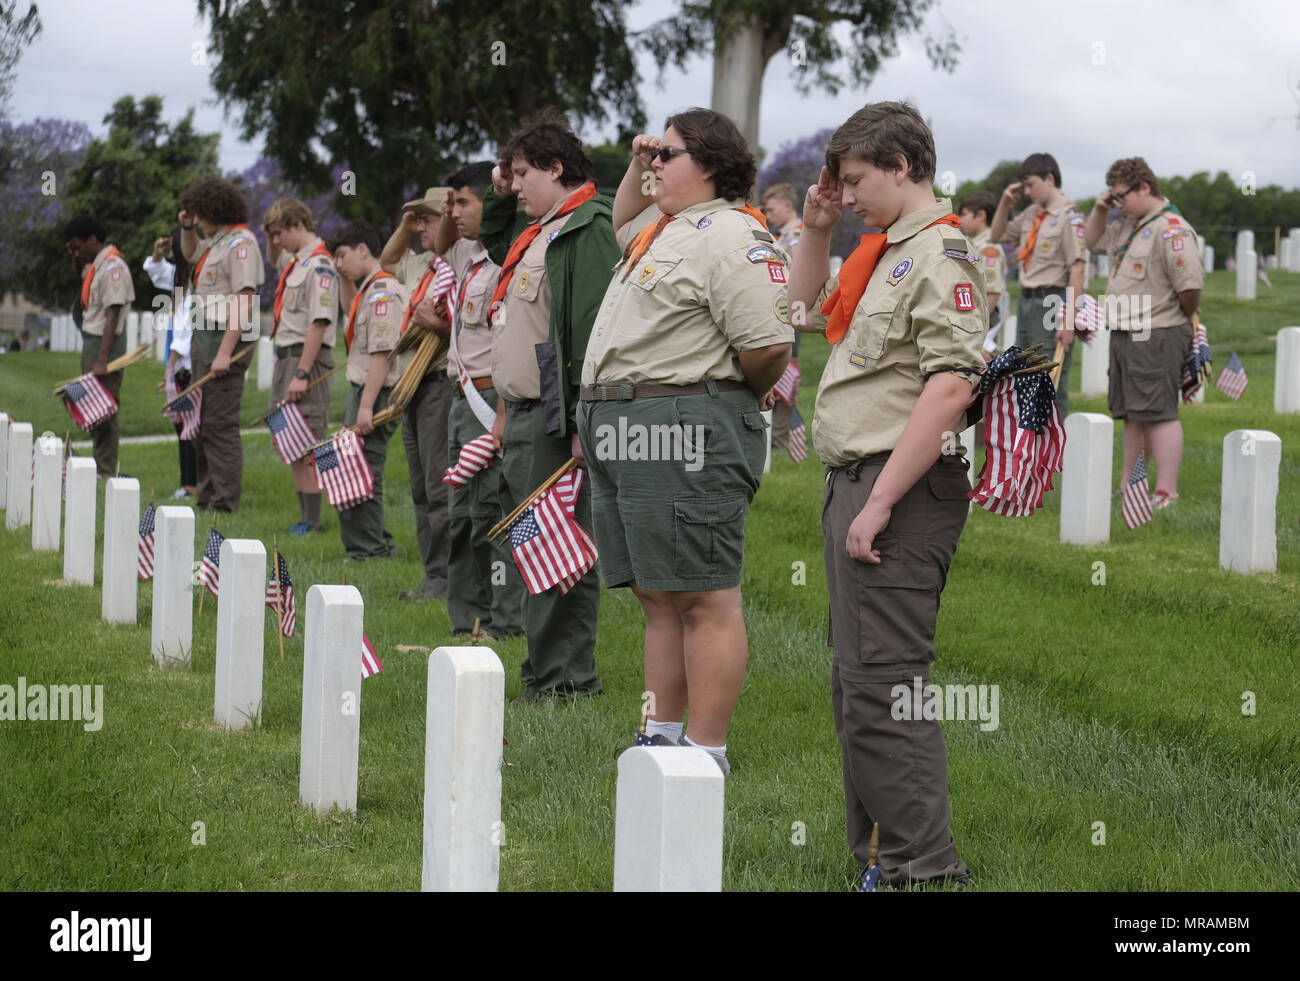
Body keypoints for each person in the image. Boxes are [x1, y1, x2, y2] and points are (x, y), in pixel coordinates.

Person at [787, 101, 987, 889]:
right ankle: (880, 857)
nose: (849, 194)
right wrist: (814, 229)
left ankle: (925, 869)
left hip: (898, 490)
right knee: (860, 683)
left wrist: (877, 505)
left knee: (886, 684)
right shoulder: (882, 253)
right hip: (863, 482)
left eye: (858, 179)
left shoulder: (938, 253)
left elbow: (949, 387)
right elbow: (793, 314)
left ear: (903, 166)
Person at [580, 110, 793, 774]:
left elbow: (767, 347)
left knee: (703, 593)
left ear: (710, 163)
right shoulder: (664, 228)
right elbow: (620, 224)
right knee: (656, 591)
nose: (653, 164)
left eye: (666, 154)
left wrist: (722, 396)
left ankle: (705, 750)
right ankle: (661, 733)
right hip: (621, 422)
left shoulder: (735, 235)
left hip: (680, 422)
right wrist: (637, 163)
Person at [479, 107, 619, 699]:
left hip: (559, 413)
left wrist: (584, 418)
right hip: (525, 410)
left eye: (521, 176)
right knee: (534, 543)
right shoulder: (541, 228)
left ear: (555, 168)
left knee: (558, 545)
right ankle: (544, 667)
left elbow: (588, 330)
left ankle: (566, 680)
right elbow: (495, 245)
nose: (514, 187)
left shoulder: (587, 226)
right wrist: (498, 195)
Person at [433, 162, 525, 639]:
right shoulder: (466, 252)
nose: (454, 213)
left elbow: (514, 345)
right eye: (452, 205)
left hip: (491, 398)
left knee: (493, 512)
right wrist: (456, 201)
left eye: (463, 203)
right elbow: (438, 241)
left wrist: (501, 417)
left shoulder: (510, 255)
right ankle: (468, 616)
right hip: (460, 399)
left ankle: (506, 620)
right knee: (461, 514)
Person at [1082, 156, 1204, 509]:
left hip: (1158, 330)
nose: (1118, 203)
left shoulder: (1171, 228)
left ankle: (1167, 490)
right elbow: (1090, 242)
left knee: (1159, 412)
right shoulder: (1127, 224)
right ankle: (1130, 485)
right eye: (1114, 197)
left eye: (1121, 196)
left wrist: (1177, 317)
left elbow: (1190, 287)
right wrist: (1101, 209)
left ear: (1145, 188)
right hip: (1126, 330)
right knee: (1132, 413)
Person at [380, 187, 455, 599]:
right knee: (420, 489)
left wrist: (441, 327)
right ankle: (433, 577)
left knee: (439, 487)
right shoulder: (424, 265)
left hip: (439, 381)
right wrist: (406, 225)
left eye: (427, 219)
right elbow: (387, 261)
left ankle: (445, 581)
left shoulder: (456, 266)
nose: (422, 226)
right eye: (419, 220)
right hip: (412, 387)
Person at [179, 176, 264, 513]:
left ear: (215, 209)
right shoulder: (216, 242)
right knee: (203, 424)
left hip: (225, 343)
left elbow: (244, 299)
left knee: (219, 425)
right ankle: (206, 496)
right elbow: (189, 254)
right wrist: (187, 228)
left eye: (199, 215)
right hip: (205, 338)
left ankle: (224, 502)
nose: (196, 221)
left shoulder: (241, 243)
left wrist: (226, 352)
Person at [263, 197, 339, 535]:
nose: (276, 241)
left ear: (297, 225)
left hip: (305, 359)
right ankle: (304, 518)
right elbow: (273, 257)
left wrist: (302, 373)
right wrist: (270, 233)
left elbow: (318, 324)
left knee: (308, 437)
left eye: (280, 233)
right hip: (286, 355)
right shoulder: (296, 262)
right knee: (290, 438)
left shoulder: (320, 266)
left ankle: (315, 520)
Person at [332, 219, 406, 559]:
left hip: (374, 392)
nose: (338, 262)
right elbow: (351, 311)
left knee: (363, 469)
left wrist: (366, 406)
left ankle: (369, 548)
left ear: (363, 250)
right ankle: (371, 540)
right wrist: (344, 277)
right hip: (364, 389)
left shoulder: (383, 292)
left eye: (342, 255)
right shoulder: (367, 288)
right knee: (353, 467)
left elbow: (382, 351)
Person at [990, 152, 1085, 414]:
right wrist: (1005, 203)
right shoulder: (1032, 213)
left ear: (1050, 178)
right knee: (1027, 376)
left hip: (1051, 303)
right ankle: (1033, 448)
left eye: (1031, 184)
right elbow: (997, 234)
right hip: (1027, 301)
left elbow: (1077, 269)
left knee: (1050, 379)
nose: (1028, 191)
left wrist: (1069, 322)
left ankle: (1053, 450)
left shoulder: (1070, 215)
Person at [64, 215, 134, 478]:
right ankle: (99, 464)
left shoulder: (112, 267)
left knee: (103, 410)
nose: (76, 252)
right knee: (92, 407)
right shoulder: (96, 265)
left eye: (77, 246)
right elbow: (79, 273)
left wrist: (102, 359)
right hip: (94, 342)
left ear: (93, 240)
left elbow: (113, 313)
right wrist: (75, 254)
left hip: (107, 346)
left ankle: (105, 469)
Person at [143, 230, 196, 498]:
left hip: (186, 365)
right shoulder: (179, 280)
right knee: (181, 425)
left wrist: (169, 366)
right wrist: (157, 252)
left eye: (178, 252)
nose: (174, 257)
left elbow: (187, 330)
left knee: (190, 425)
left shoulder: (197, 283)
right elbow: (154, 270)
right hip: (177, 364)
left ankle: (193, 484)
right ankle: (188, 483)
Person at [760, 182, 805, 453]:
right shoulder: (783, 235)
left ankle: (780, 440)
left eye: (772, 209)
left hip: (789, 314)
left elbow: (796, 281)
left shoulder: (797, 237)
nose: (768, 214)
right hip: (780, 313)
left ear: (788, 206)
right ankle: (779, 439)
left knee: (785, 378)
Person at [958, 191, 1006, 355]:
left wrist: (979, 327)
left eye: (964, 214)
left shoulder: (988, 248)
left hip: (983, 320)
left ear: (981, 216)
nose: (960, 219)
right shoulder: (973, 243)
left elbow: (992, 291)